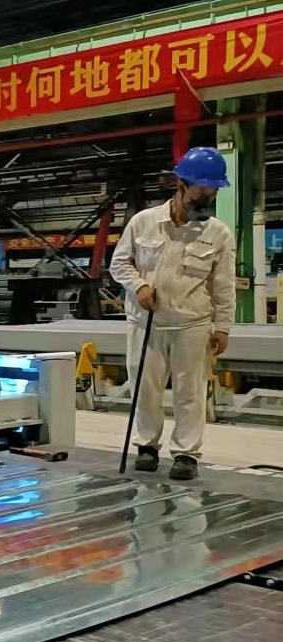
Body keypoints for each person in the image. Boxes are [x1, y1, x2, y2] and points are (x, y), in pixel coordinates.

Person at [109, 146, 236, 480]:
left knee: (190, 391)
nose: (207, 198)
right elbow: (119, 264)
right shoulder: (144, 222)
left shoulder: (218, 233)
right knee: (144, 387)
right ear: (181, 185)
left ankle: (186, 454)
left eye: (213, 192)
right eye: (202, 191)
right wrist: (139, 286)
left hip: (192, 325)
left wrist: (223, 327)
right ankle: (146, 446)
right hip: (146, 323)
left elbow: (224, 285)